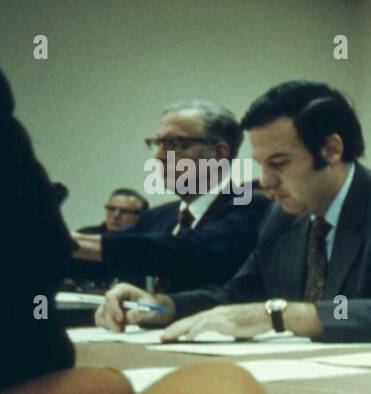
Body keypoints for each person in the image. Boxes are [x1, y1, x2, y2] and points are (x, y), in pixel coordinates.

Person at [95, 80, 371, 344]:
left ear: (331, 150)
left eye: (279, 164)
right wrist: (162, 306)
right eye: (260, 165)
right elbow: (234, 297)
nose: (265, 182)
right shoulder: (284, 216)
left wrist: (281, 314)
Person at [70, 101, 268, 292]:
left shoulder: (250, 205)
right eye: (157, 143)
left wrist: (66, 241)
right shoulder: (157, 216)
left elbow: (186, 251)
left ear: (218, 153)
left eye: (173, 143)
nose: (159, 156)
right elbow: (106, 260)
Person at [0, 57, 75, 391]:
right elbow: (50, 248)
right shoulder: (6, 136)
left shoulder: (244, 207)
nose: (159, 156)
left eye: (173, 144)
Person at [77, 188, 149, 234]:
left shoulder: (148, 244)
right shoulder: (85, 236)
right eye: (111, 209)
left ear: (140, 217)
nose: (116, 215)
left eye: (124, 211)